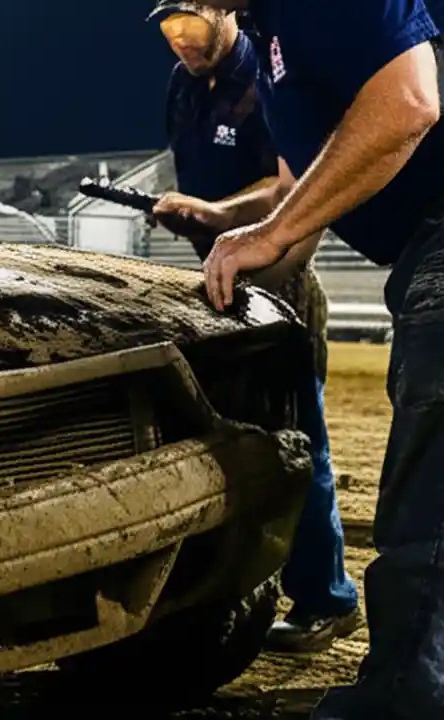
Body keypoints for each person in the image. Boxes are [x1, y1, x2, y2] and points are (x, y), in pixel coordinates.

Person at [157, 1, 444, 716]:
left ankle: (408, 694)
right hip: (420, 242)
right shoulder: (273, 35)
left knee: (430, 477)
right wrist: (227, 220)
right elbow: (296, 180)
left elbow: (410, 98)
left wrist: (274, 234)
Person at [150, 0, 362, 654]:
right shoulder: (184, 88)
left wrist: (212, 213)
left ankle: (327, 599)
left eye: (191, 25)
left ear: (226, 12)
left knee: (303, 444)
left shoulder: (268, 76)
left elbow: (289, 189)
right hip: (218, 291)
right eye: (169, 31)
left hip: (283, 285)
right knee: (222, 437)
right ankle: (231, 583)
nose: (180, 42)